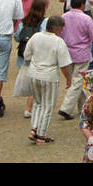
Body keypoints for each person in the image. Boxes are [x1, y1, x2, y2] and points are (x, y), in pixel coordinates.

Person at [24, 15, 73, 144]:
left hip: (34, 73)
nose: (62, 31)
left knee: (37, 103)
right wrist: (68, 78)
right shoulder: (58, 42)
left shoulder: (36, 37)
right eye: (61, 29)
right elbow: (64, 64)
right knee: (48, 106)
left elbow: (27, 55)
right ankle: (41, 134)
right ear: (55, 29)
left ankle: (34, 128)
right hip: (49, 76)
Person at [58, 0, 93, 121]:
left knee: (77, 82)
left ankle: (84, 107)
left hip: (67, 53)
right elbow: (92, 35)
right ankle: (66, 108)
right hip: (82, 53)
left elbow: (60, 35)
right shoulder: (86, 19)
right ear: (83, 4)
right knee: (77, 82)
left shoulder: (64, 17)